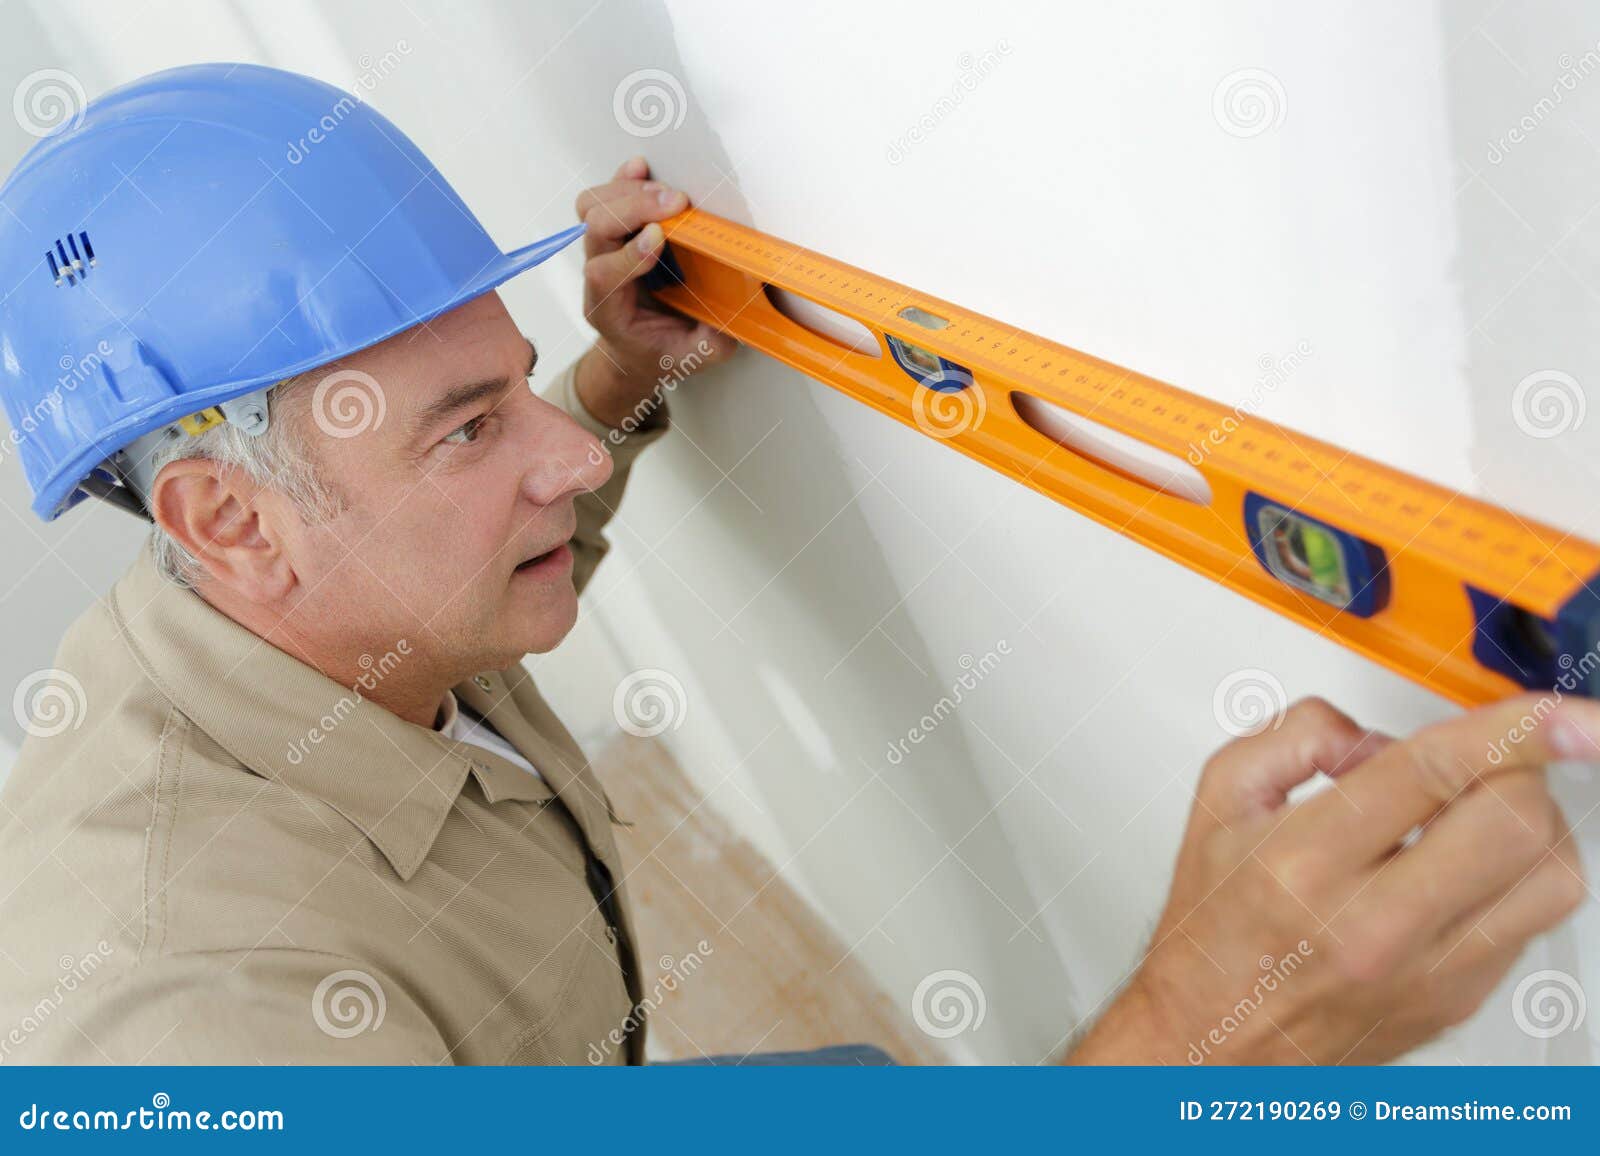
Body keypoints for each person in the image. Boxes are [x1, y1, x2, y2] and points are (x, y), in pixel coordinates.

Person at [0, 65, 1585, 1066]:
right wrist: (1204, 1042)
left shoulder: (304, 607)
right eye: (468, 431)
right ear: (227, 520)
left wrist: (616, 379)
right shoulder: (191, 1022)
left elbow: (511, 522)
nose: (555, 462)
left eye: (512, 386)